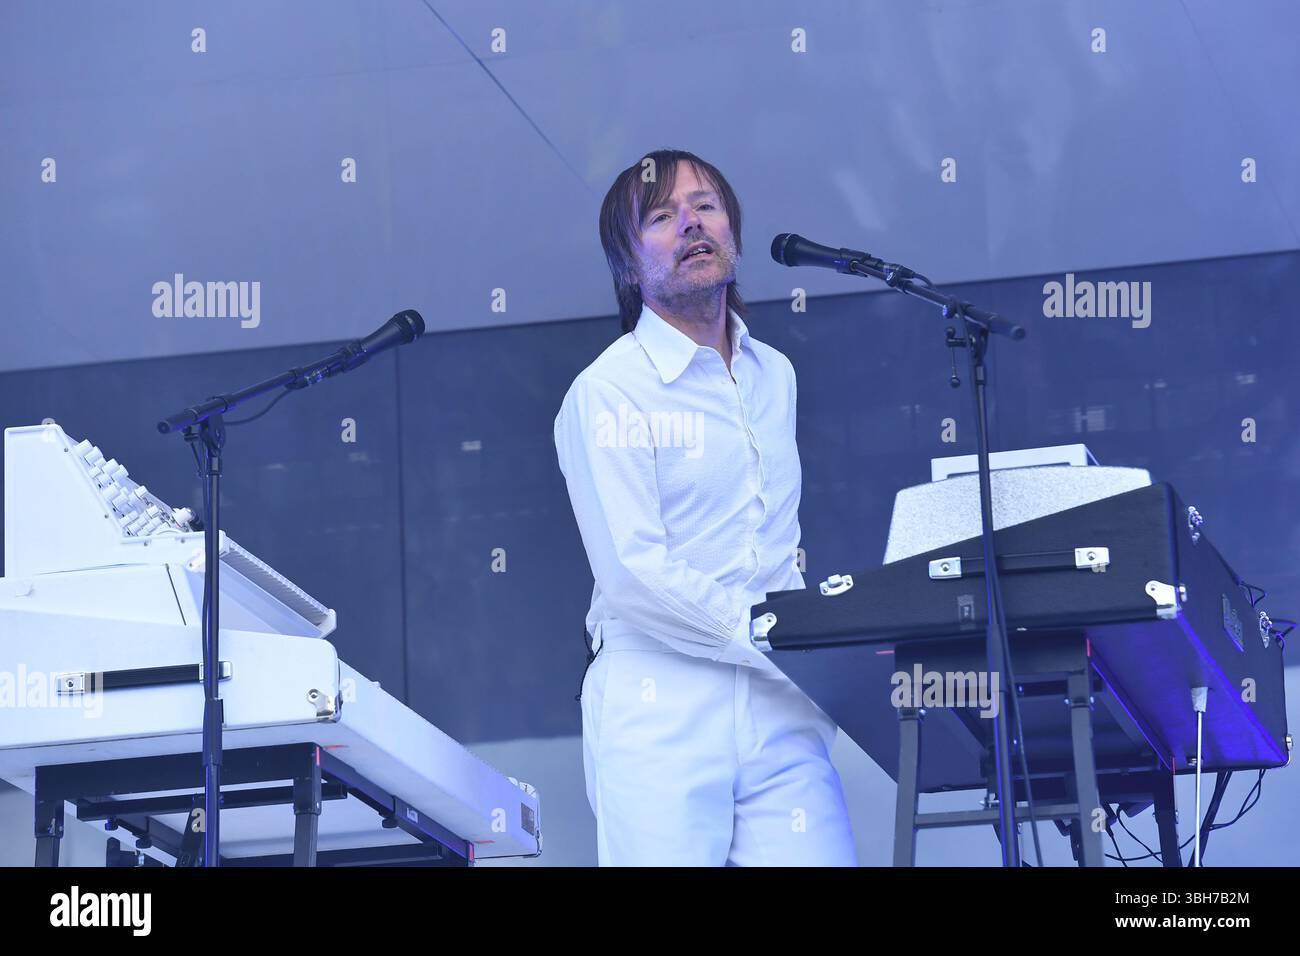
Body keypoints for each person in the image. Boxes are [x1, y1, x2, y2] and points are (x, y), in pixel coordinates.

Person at [553, 149, 856, 866]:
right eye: (661, 217)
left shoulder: (773, 373)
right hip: (662, 699)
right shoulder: (608, 391)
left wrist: (809, 664)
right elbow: (633, 573)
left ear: (735, 236)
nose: (691, 223)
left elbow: (777, 541)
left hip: (779, 696)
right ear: (628, 267)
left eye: (706, 206)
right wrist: (767, 633)